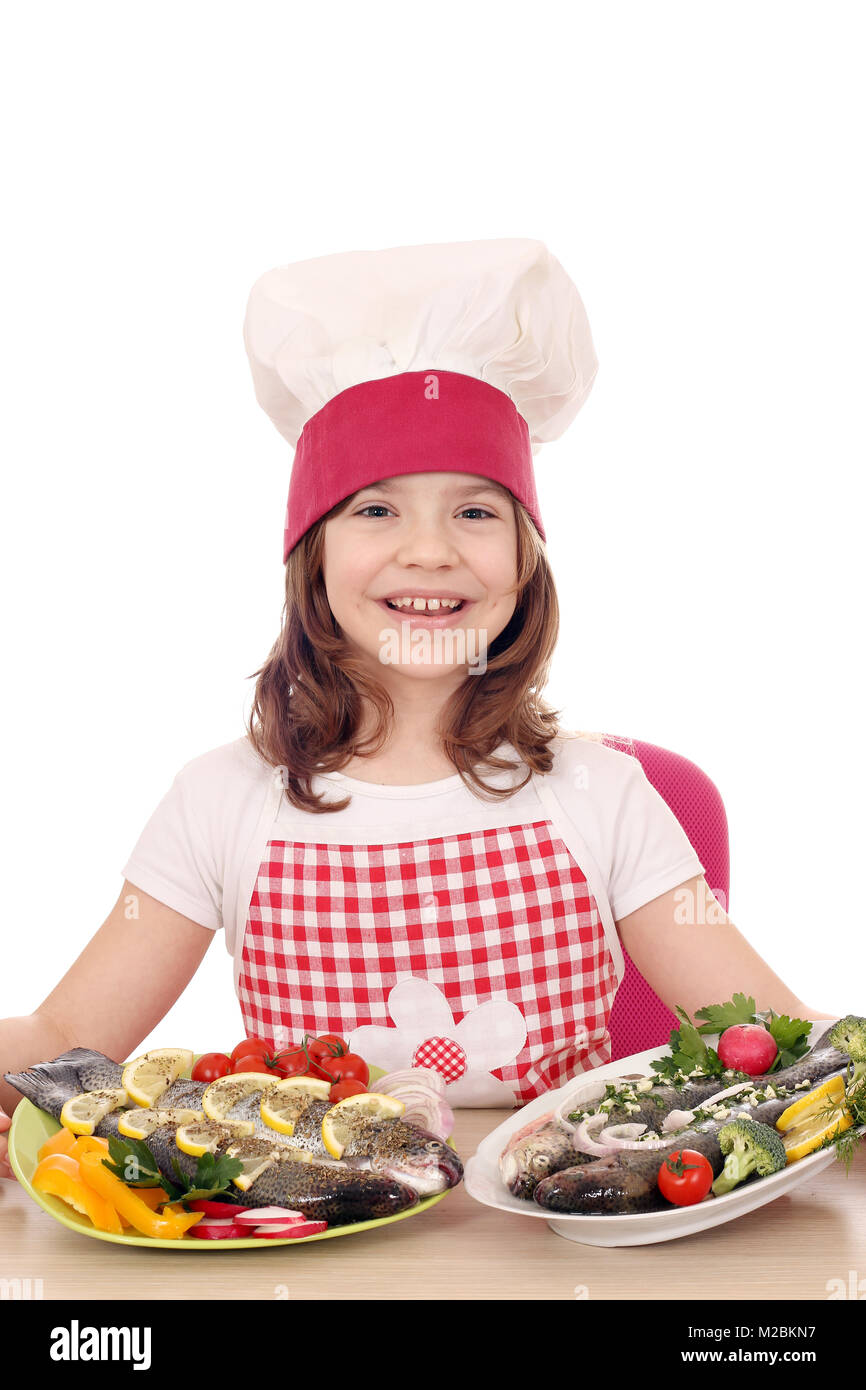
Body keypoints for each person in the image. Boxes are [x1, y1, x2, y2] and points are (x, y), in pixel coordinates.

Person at [0, 238, 833, 1180]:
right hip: (311, 1230)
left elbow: (780, 1040)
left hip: (561, 1223)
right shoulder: (218, 801)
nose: (431, 551)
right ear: (311, 554)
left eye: (476, 513)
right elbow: (62, 1037)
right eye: (376, 510)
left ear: (523, 561)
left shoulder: (604, 793)